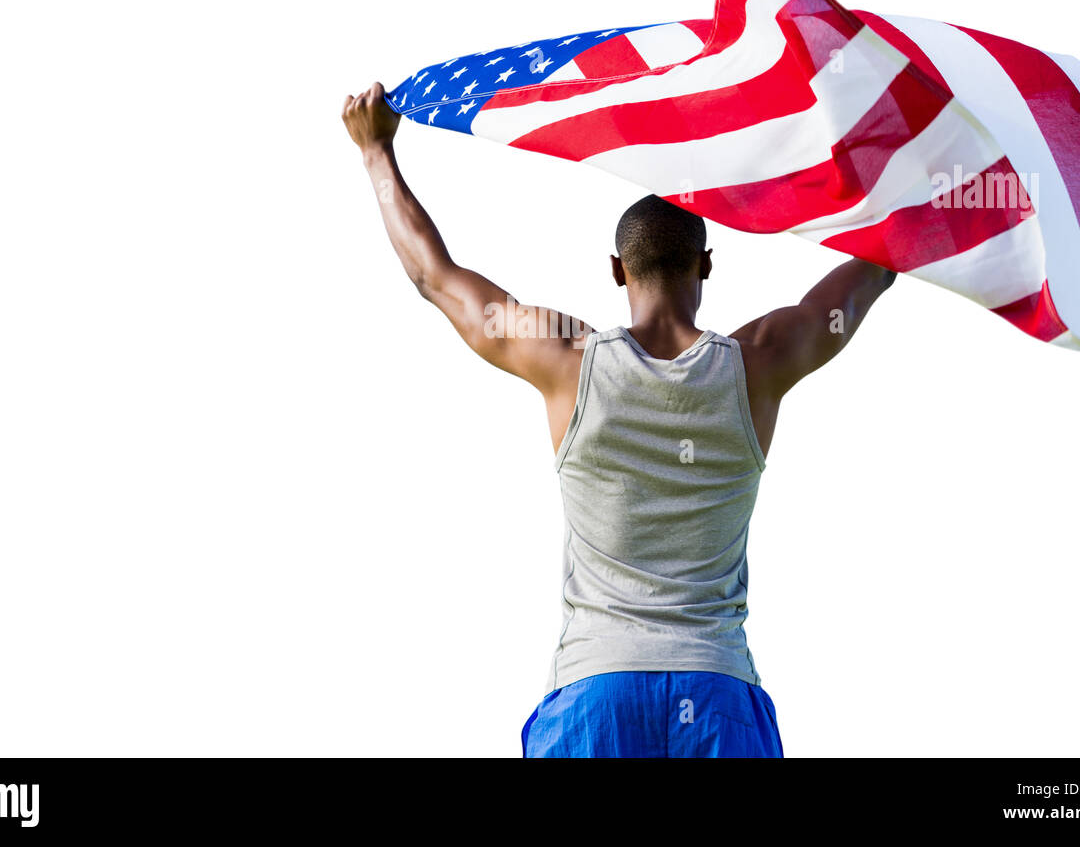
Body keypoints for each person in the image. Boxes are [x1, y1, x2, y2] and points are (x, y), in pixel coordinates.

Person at [342, 81, 897, 757]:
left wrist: (376, 153)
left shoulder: (566, 361)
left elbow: (435, 277)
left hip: (595, 694)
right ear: (707, 265)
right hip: (717, 693)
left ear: (616, 270)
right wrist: (910, 188)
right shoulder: (761, 361)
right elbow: (873, 270)